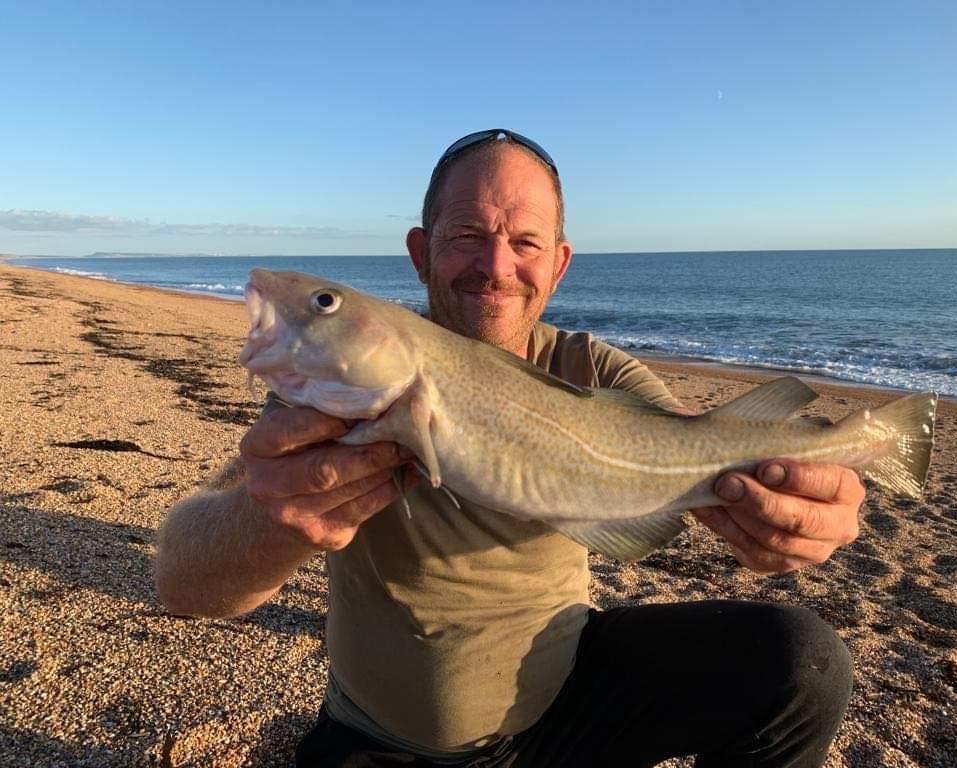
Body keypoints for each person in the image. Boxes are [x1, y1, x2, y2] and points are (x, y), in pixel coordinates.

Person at [155, 129, 862, 768]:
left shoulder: (595, 371)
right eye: (467, 234)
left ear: (558, 265)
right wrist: (270, 517)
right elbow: (183, 585)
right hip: (382, 741)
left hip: (564, 706)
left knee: (799, 663)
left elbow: (693, 437)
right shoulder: (328, 395)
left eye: (525, 242)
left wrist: (805, 500)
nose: (496, 265)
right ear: (421, 252)